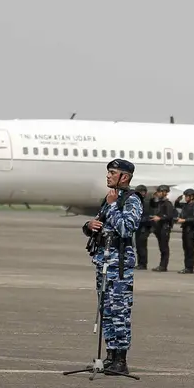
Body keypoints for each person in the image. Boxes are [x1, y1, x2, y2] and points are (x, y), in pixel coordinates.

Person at [81, 159, 144, 374]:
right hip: (103, 262)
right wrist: (89, 226)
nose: (108, 176)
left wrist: (113, 206)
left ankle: (121, 360)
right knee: (106, 310)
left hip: (119, 267)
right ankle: (110, 355)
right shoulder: (109, 199)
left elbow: (127, 228)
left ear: (124, 177)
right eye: (108, 172)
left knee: (120, 311)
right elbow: (98, 224)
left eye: (112, 172)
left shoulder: (131, 200)